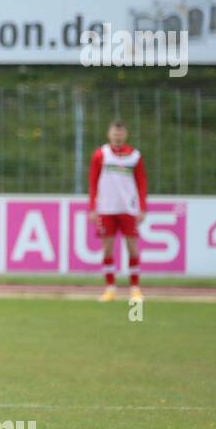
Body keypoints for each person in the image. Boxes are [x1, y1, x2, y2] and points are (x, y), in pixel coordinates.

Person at [88, 119, 147, 302]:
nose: (117, 136)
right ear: (109, 134)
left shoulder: (134, 157)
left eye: (120, 133)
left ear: (125, 135)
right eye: (115, 132)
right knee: (107, 248)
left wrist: (142, 207)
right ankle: (110, 288)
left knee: (132, 247)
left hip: (128, 209)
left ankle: (135, 288)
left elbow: (141, 183)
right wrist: (92, 207)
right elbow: (93, 181)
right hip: (106, 208)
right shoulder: (101, 155)